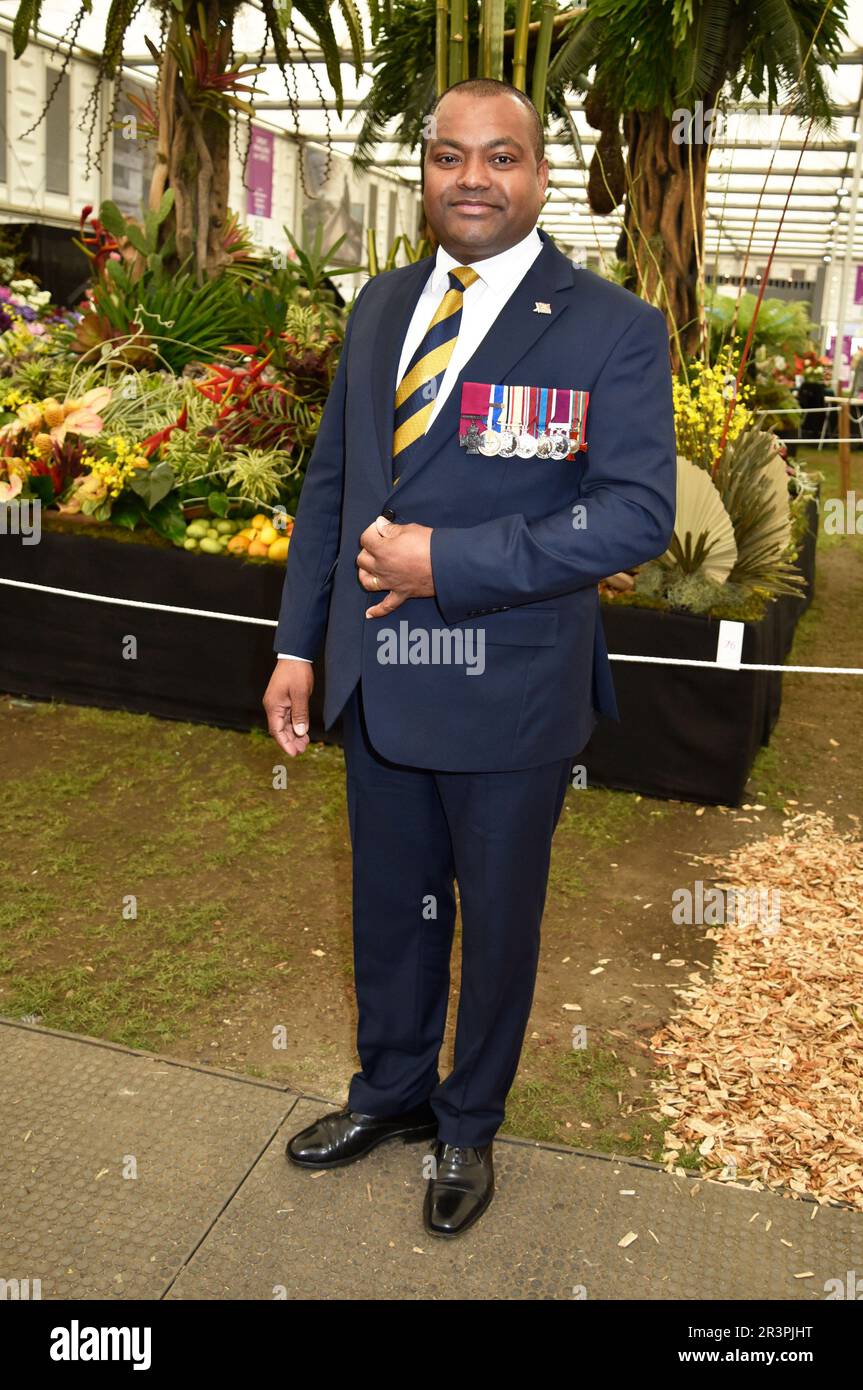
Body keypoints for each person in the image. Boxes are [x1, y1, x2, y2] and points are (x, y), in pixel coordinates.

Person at [263, 77, 676, 1238]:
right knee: (390, 910)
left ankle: (466, 1121)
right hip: (373, 680)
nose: (472, 180)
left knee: (493, 921)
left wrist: (450, 561)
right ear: (426, 173)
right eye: (451, 158)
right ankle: (389, 1092)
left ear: (537, 175)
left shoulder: (610, 327)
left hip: (507, 689)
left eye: (500, 159)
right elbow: (334, 493)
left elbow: (633, 513)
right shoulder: (380, 306)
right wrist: (298, 644)